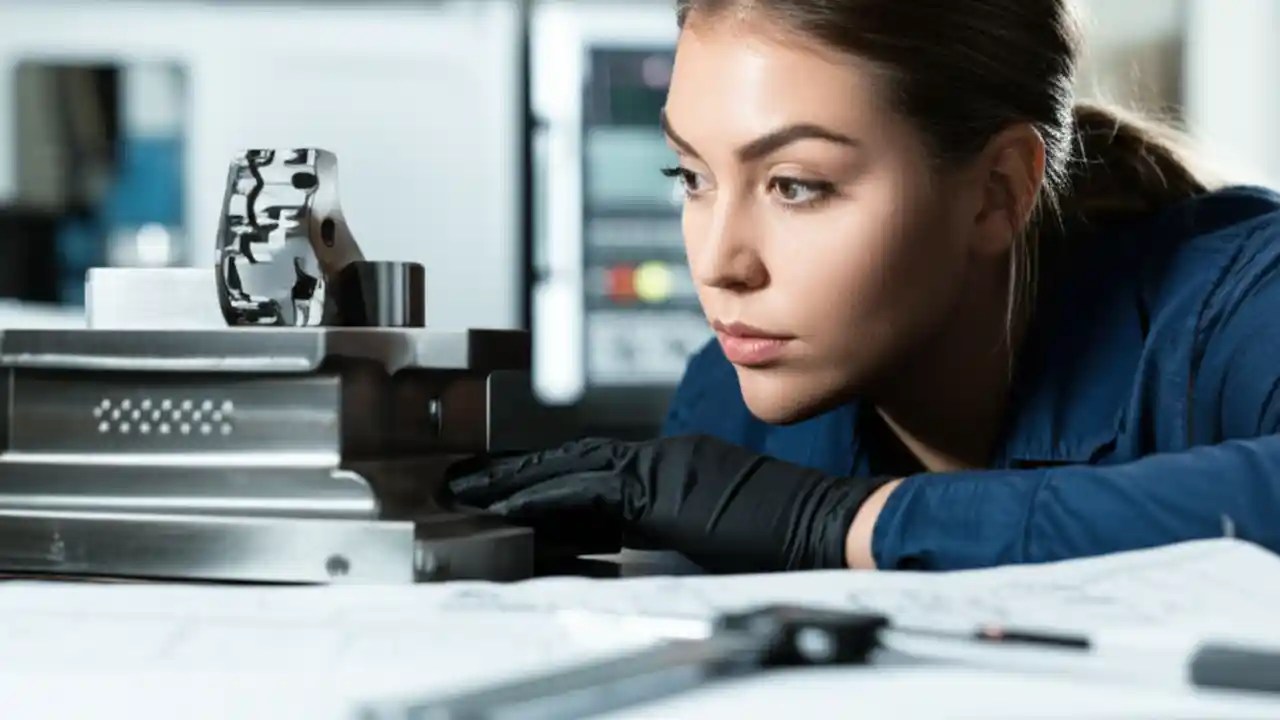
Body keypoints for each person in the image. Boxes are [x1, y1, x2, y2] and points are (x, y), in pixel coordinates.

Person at [451, 0, 1280, 573]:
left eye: (796, 184)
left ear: (997, 191)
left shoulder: (1241, 300)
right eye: (691, 175)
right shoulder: (731, 402)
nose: (720, 263)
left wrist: (840, 522)